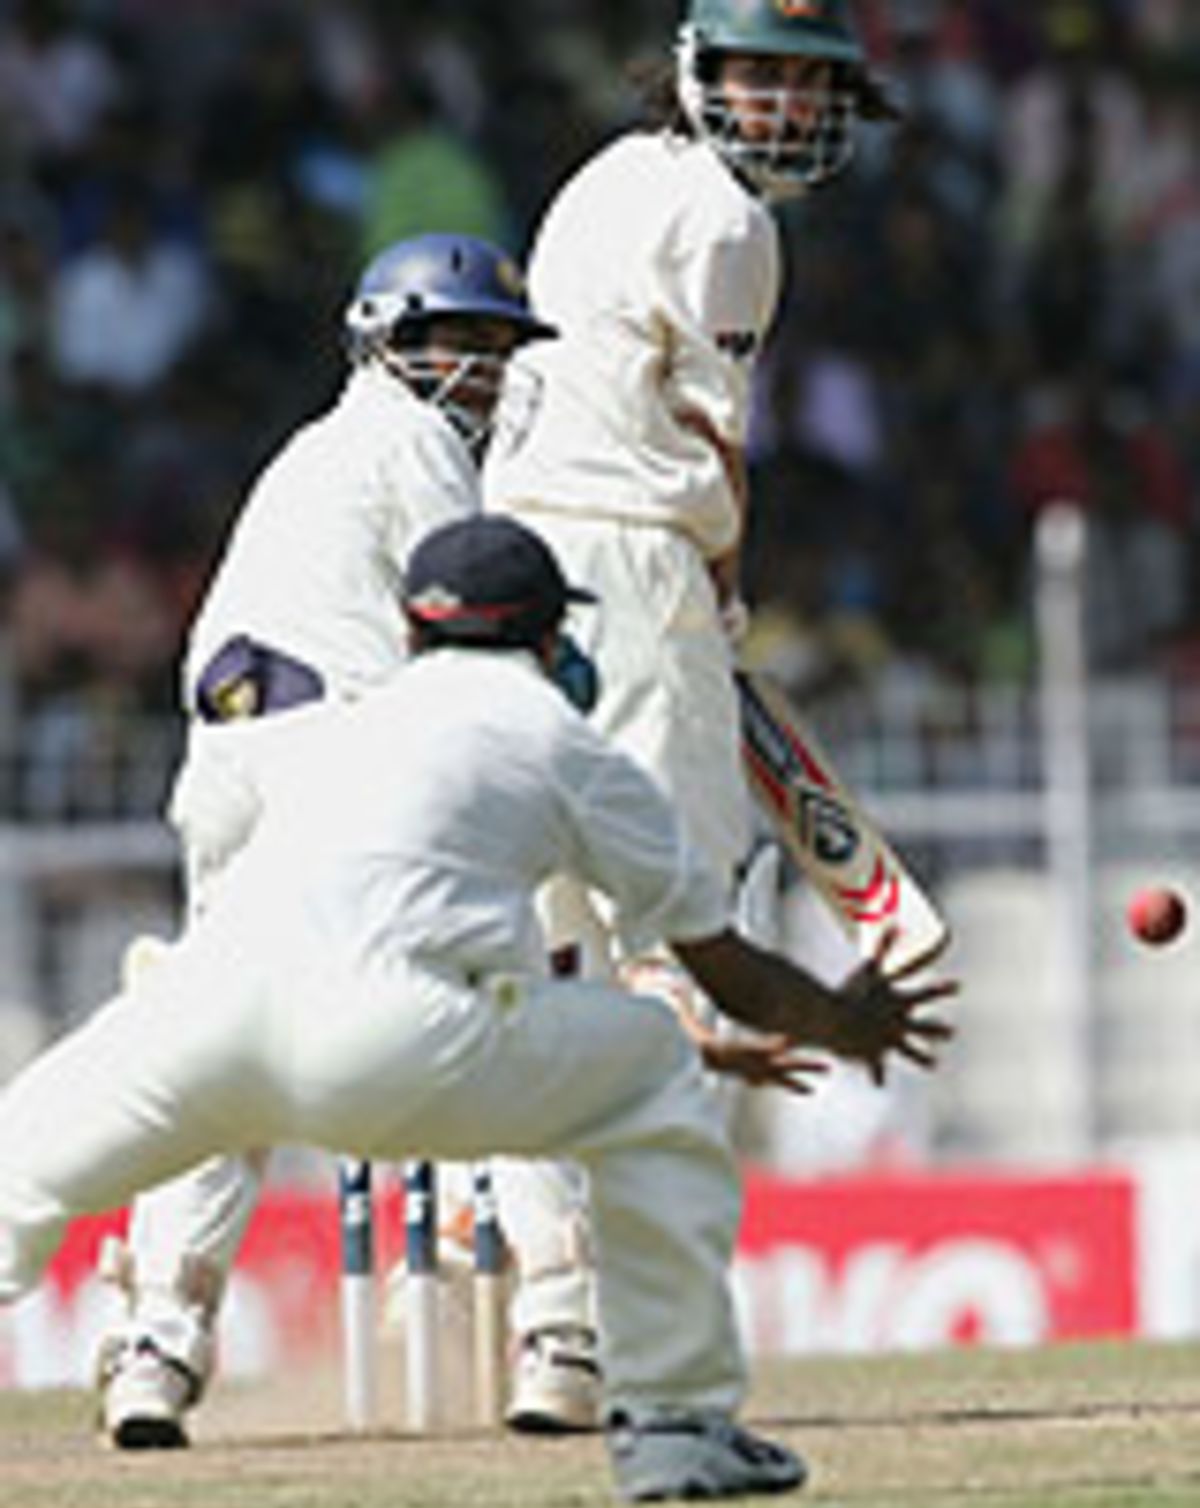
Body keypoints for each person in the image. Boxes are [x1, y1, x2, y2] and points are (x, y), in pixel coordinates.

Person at [0, 514, 956, 1502]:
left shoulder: (343, 725)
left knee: (18, 1163)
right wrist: (848, 1023)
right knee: (653, 1061)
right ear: (553, 639)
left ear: (411, 634)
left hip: (200, 1022)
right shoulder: (564, 745)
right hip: (388, 1045)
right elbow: (719, 968)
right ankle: (674, 1418)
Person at [481, 0, 899, 1429]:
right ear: (696, 75)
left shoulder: (599, 178)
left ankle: (556, 1318)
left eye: (805, 84)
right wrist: (716, 615)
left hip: (507, 581)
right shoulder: (732, 221)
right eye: (760, 77)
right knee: (683, 941)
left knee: (542, 954)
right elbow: (716, 450)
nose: (782, 107)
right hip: (632, 569)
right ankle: (653, 1334)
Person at [91, 231, 555, 1448]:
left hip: (229, 767)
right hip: (340, 775)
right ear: (390, 341)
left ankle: (157, 1336)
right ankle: (539, 1306)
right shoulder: (411, 448)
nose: (489, 370)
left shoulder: (308, 456)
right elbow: (481, 642)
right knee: (505, 993)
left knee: (226, 1060)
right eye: (463, 341)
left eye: (501, 347)